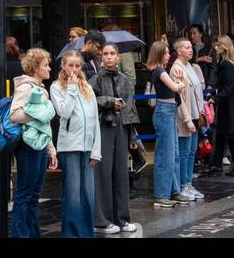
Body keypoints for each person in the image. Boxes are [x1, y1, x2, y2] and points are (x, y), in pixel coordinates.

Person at [50, 48, 102, 237]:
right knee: (72, 193)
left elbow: (95, 118)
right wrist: (71, 88)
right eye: (70, 65)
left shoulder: (87, 87)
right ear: (63, 66)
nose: (74, 69)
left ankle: (86, 233)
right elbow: (63, 112)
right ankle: (71, 233)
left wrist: (96, 150)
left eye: (78, 66)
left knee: (88, 192)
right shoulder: (56, 87)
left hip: (88, 146)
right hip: (69, 146)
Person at [9, 47, 58, 239]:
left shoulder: (41, 89)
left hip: (39, 145)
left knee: (34, 194)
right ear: (35, 68)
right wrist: (38, 112)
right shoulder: (25, 87)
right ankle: (21, 234)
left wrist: (51, 149)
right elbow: (15, 115)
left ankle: (32, 233)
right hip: (28, 147)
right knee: (25, 194)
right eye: (45, 65)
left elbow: (44, 124)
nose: (49, 69)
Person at [92, 42, 139, 233]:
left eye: (112, 53)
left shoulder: (125, 80)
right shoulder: (95, 79)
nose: (109, 56)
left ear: (118, 56)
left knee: (120, 173)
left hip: (121, 126)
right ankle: (102, 220)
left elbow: (131, 106)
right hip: (103, 126)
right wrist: (110, 102)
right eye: (106, 53)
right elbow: (90, 101)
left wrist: (133, 136)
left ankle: (121, 219)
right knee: (102, 174)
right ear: (101, 57)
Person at [146, 38, 187, 208]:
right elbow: (176, 88)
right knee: (166, 155)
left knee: (173, 153)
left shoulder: (160, 71)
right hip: (164, 112)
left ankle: (174, 191)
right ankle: (162, 195)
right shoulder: (160, 72)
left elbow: (174, 88)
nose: (169, 55)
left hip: (168, 112)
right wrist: (180, 82)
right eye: (167, 52)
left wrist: (178, 82)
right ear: (160, 54)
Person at [170, 37, 206, 201]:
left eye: (191, 47)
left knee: (192, 152)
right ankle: (183, 185)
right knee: (184, 153)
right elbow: (179, 99)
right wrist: (187, 120)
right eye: (187, 47)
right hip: (185, 117)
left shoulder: (190, 66)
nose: (191, 50)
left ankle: (188, 183)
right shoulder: (176, 68)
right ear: (178, 51)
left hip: (195, 115)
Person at [207, 35, 234, 175]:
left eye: (218, 45)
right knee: (221, 136)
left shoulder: (227, 65)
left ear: (225, 47)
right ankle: (216, 165)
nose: (215, 47)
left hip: (229, 107)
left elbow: (229, 86)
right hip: (226, 106)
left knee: (231, 137)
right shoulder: (223, 63)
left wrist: (216, 98)